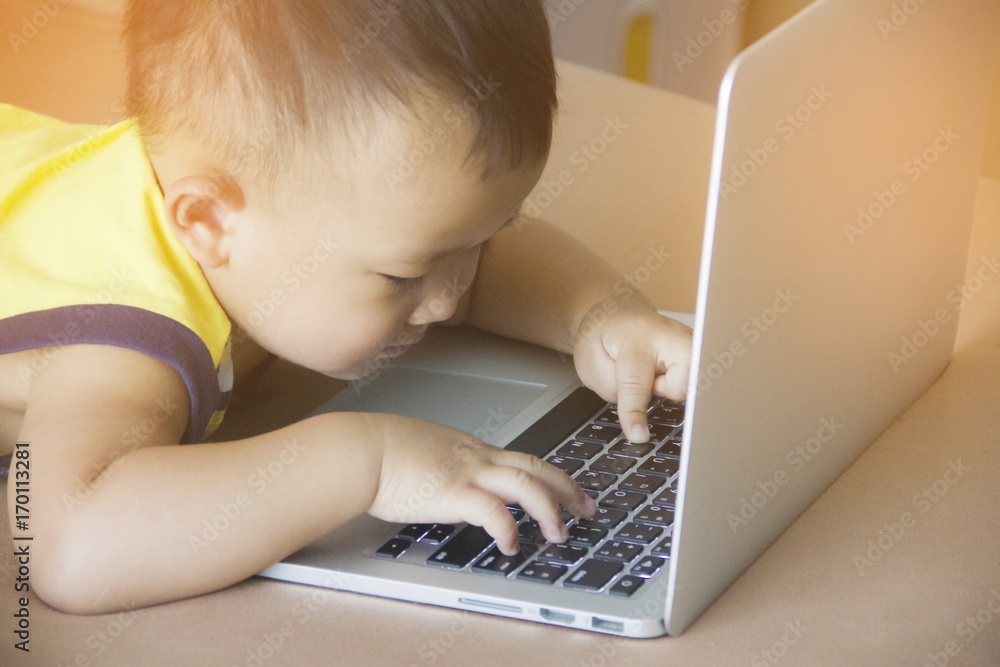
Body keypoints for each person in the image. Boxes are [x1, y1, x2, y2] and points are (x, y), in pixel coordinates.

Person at [0, 0, 691, 614]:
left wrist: (600, 313)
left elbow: (459, 257)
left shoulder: (274, 222)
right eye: (404, 275)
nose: (450, 296)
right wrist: (370, 460)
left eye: (480, 242)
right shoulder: (123, 333)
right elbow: (67, 544)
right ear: (207, 222)